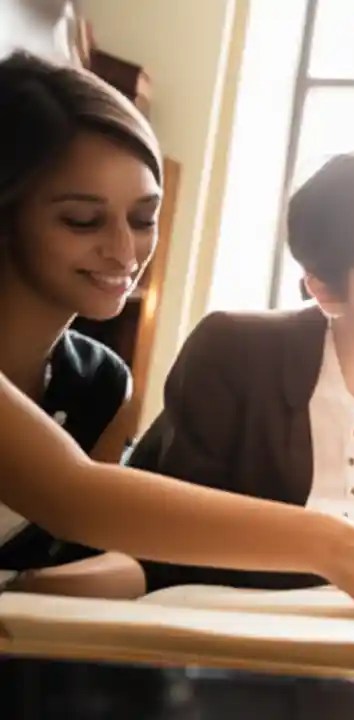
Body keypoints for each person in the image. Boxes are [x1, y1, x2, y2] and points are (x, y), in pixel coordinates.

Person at [129, 150, 354, 593]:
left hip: (351, 635)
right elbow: (174, 539)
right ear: (323, 290)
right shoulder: (235, 349)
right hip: (205, 624)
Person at [0, 51, 163, 598]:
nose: (124, 252)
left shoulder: (101, 383)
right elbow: (77, 497)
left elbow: (113, 557)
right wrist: (340, 545)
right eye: (83, 220)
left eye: (143, 219)